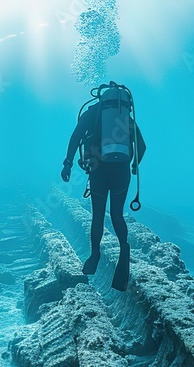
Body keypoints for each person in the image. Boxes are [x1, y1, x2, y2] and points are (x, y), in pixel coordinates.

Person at [61, 82, 145, 291]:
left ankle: (94, 255)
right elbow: (142, 146)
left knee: (98, 215)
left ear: (100, 98)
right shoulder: (125, 117)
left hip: (99, 171)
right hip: (121, 172)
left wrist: (68, 163)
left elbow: (75, 137)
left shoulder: (91, 113)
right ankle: (124, 249)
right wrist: (134, 165)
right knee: (117, 215)